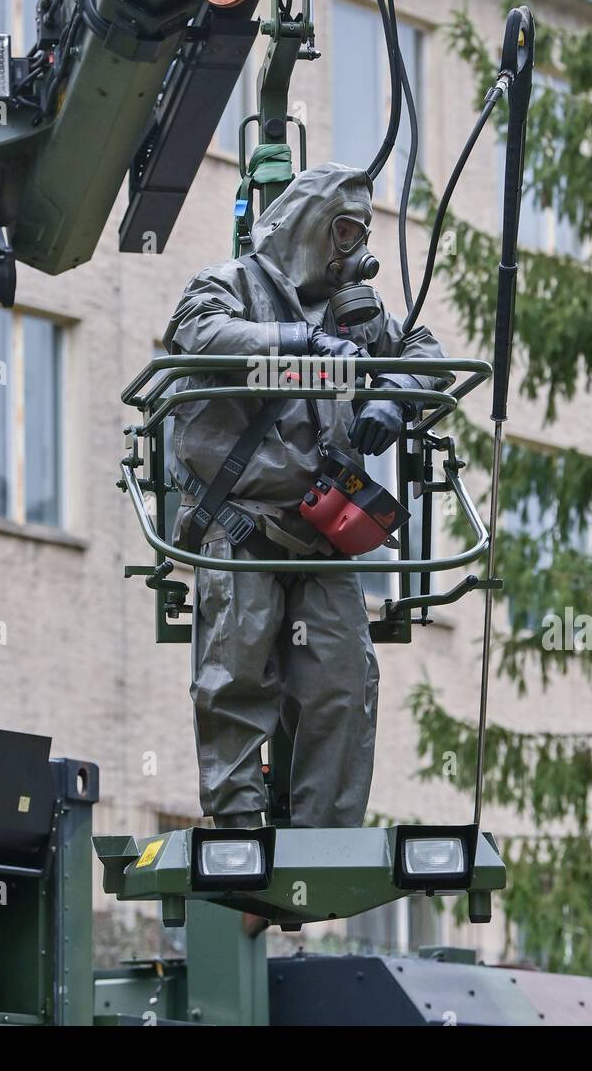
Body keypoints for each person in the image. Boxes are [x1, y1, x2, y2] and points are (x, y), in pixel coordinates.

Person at [163, 163, 451, 828]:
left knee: (344, 684)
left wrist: (393, 398)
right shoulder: (228, 285)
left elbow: (427, 355)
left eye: (358, 234)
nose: (348, 249)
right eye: (340, 230)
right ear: (307, 224)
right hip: (243, 524)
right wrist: (304, 345)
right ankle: (239, 834)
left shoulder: (357, 310)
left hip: (323, 535)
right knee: (236, 682)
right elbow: (202, 335)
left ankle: (320, 843)